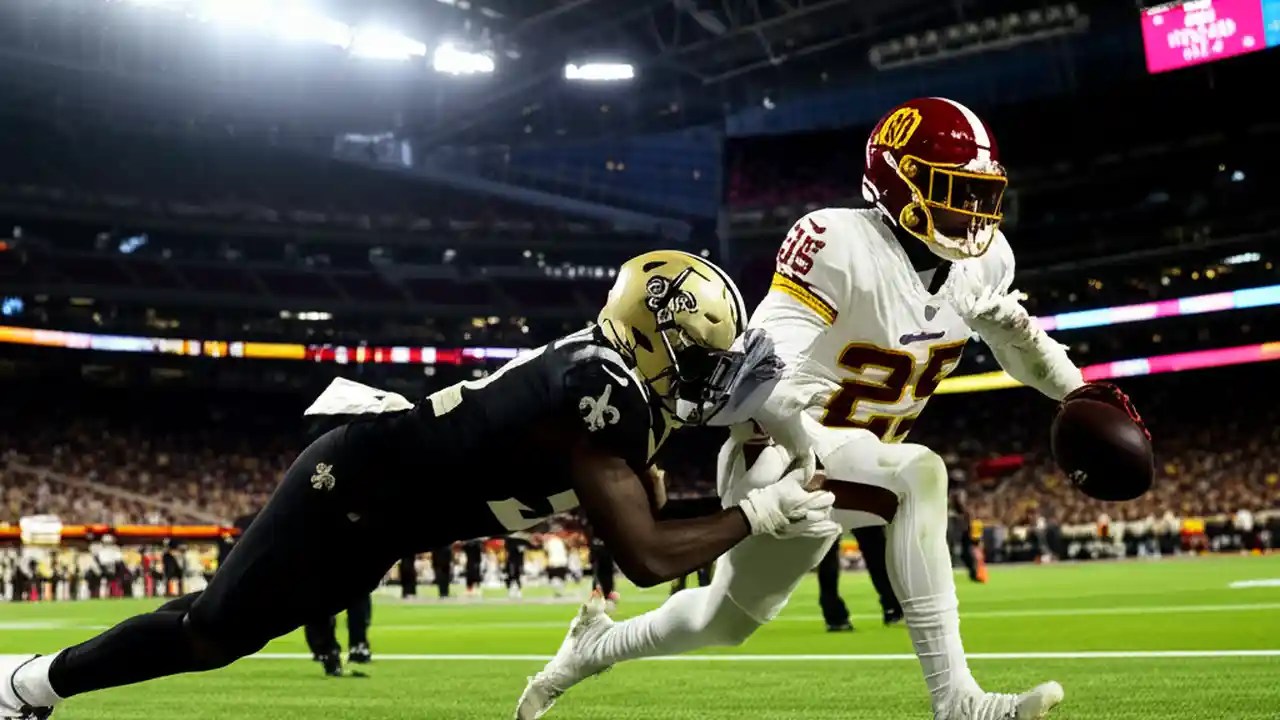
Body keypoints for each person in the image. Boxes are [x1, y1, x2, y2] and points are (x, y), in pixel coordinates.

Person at [0, 250, 836, 720]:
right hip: (350, 487)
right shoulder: (603, 389)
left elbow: (643, 524)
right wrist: (756, 513)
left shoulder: (622, 393)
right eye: (698, 359)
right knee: (210, 632)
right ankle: (26, 684)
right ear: (655, 338)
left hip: (382, 520)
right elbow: (651, 558)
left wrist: (748, 512)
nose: (706, 380)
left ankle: (28, 685)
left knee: (218, 631)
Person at [517, 98, 1149, 720]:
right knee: (917, 474)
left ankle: (592, 646)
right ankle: (959, 704)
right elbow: (759, 372)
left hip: (856, 464)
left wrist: (1077, 392)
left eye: (980, 193)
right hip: (782, 453)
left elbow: (1015, 337)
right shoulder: (838, 241)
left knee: (722, 619)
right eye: (951, 189)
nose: (970, 212)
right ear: (896, 182)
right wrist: (808, 445)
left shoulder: (986, 262)